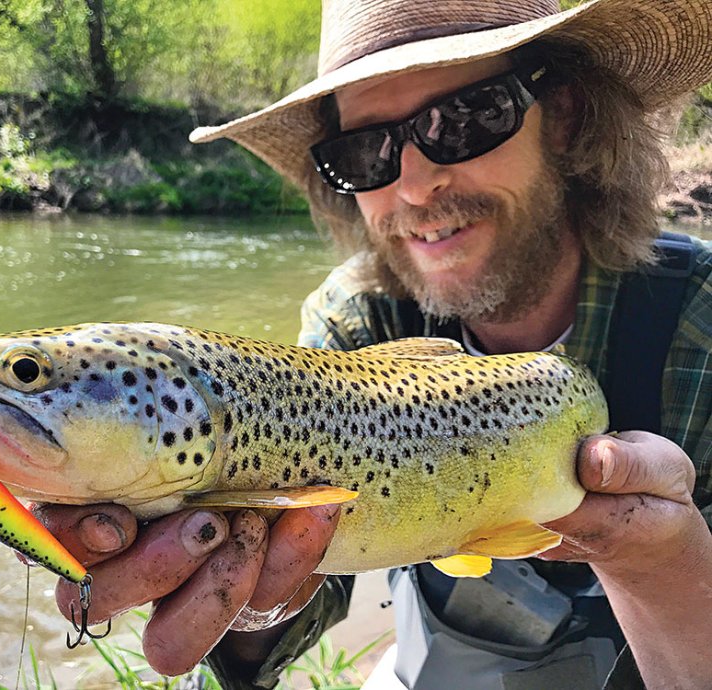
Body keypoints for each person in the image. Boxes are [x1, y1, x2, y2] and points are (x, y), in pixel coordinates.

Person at [39, 1, 712, 688]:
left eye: (464, 120)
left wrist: (667, 565)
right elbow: (313, 585)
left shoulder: (702, 322)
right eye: (364, 153)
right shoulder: (357, 320)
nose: (414, 187)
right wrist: (246, 603)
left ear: (564, 115)